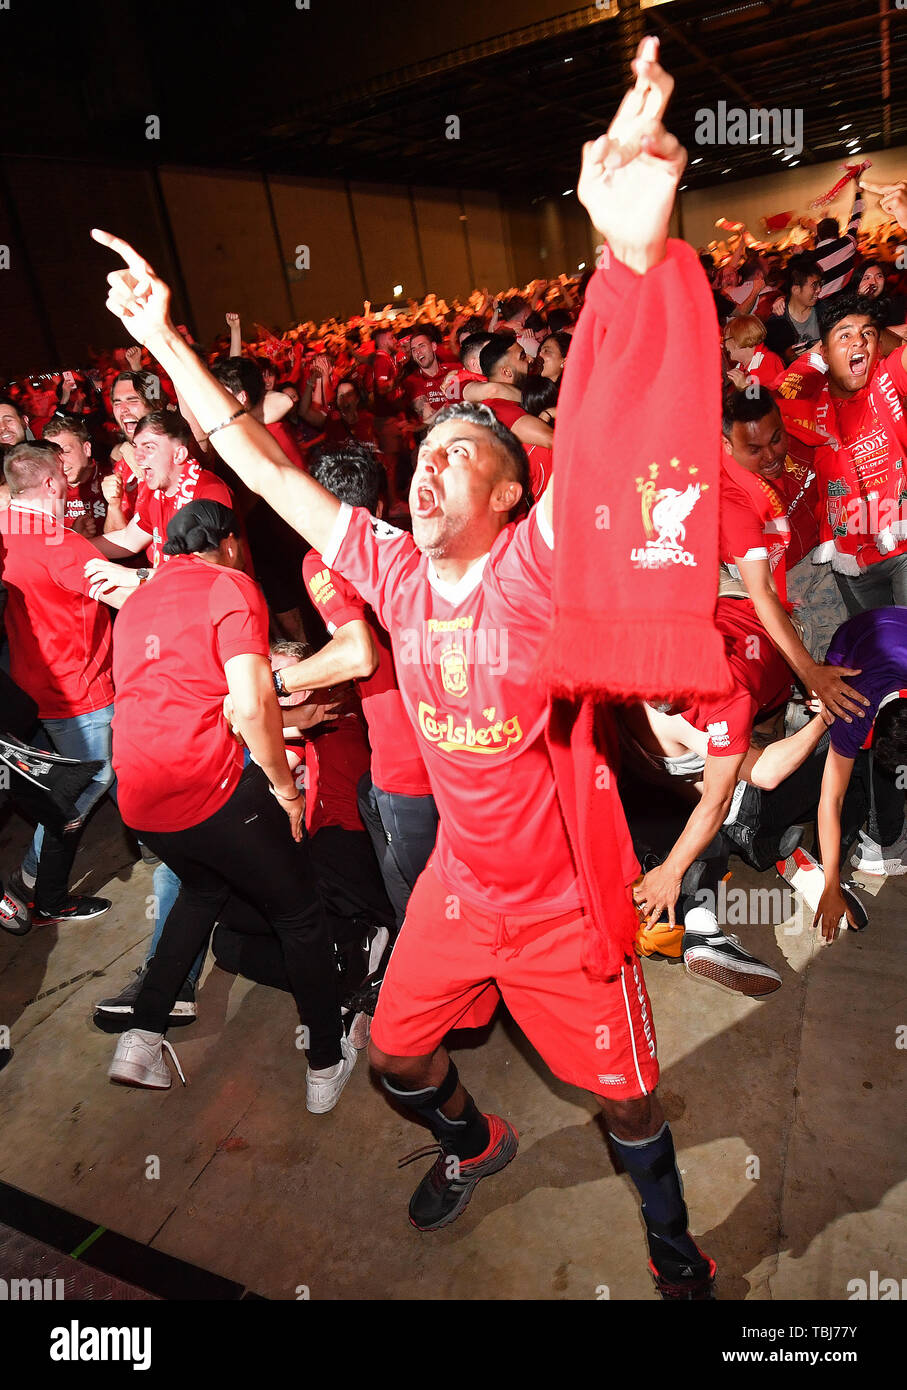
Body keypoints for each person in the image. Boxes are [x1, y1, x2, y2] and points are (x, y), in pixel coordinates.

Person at [91, 34, 720, 1299]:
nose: (428, 464)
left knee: (633, 1103)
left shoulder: (539, 566)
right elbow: (266, 470)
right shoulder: (382, 566)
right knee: (395, 1061)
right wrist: (166, 346)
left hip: (555, 909)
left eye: (458, 456)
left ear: (506, 495)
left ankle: (667, 1247)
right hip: (454, 890)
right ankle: (474, 1140)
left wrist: (630, 252)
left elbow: (607, 444)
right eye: (422, 451)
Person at [105, 499, 353, 1109]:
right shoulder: (231, 585)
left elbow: (167, 698)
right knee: (299, 914)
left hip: (137, 797)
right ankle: (326, 1058)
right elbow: (251, 702)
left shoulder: (136, 602)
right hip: (206, 792)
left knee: (201, 891)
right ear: (231, 544)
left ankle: (141, 1036)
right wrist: (284, 789)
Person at [0, 443, 135, 924]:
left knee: (64, 782)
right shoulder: (63, 545)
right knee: (85, 786)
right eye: (63, 475)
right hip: (78, 692)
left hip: (27, 685)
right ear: (53, 483)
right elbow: (128, 597)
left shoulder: (7, 527)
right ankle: (35, 889)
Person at [812, 609, 907, 936]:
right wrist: (830, 885)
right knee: (839, 763)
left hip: (899, 625)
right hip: (855, 636)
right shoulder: (853, 710)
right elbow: (830, 799)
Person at [83, 410, 234, 597]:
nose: (137, 456)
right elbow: (129, 539)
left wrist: (136, 575)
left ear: (179, 454)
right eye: (136, 446)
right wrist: (76, 547)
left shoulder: (208, 491)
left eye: (149, 447)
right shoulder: (154, 491)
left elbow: (205, 572)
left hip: (216, 606)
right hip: (173, 597)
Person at [44, 416, 107, 538]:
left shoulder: (113, 476)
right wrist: (75, 535)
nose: (60, 461)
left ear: (86, 449)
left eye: (66, 452)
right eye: (52, 455)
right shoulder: (45, 488)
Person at [764, 254, 823, 363]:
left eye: (820, 284)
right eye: (814, 285)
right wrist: (786, 357)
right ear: (796, 290)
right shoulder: (776, 323)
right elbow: (774, 362)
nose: (819, 289)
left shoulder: (824, 309)